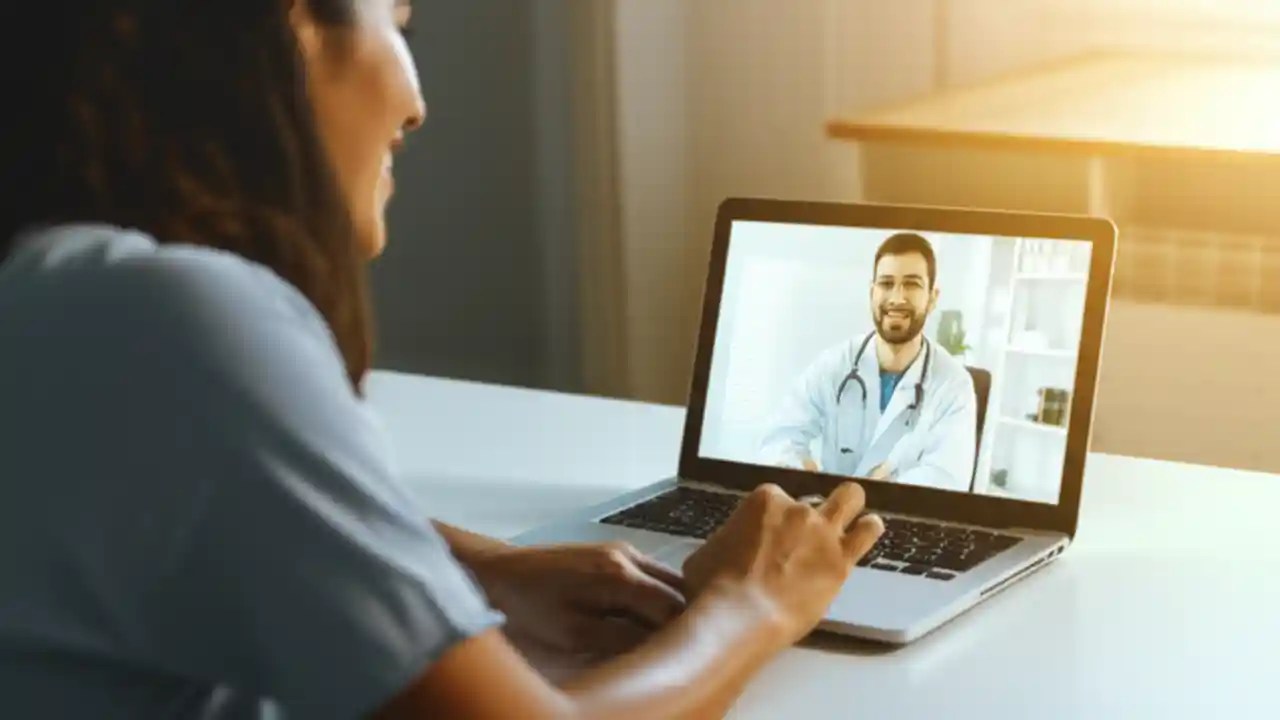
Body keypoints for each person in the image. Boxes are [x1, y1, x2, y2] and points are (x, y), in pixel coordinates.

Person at [0, 2, 885, 718]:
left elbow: (155, 508)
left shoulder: (60, 291)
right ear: (292, 26)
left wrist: (466, 568)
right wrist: (755, 607)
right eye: (399, 24)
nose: (418, 103)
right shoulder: (178, 324)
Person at [760, 233, 978, 492]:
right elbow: (779, 438)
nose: (897, 297)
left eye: (912, 284)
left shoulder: (954, 385)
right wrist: (799, 472)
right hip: (827, 517)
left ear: (932, 297)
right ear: (872, 292)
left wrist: (873, 493)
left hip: (902, 521)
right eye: (886, 283)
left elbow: (947, 481)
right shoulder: (834, 364)